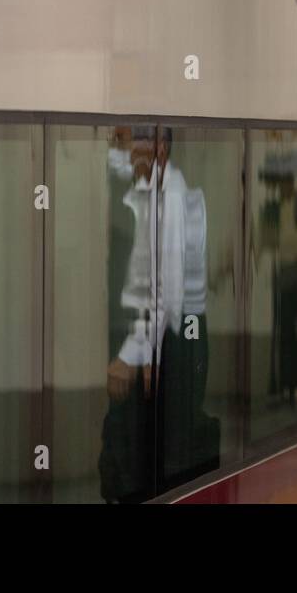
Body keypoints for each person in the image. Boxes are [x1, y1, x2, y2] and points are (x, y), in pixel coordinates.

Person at [100, 126, 216, 502]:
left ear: (161, 149)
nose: (130, 152)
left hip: (176, 336)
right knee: (142, 444)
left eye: (138, 142)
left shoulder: (172, 199)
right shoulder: (153, 183)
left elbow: (167, 287)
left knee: (155, 449)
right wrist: (115, 147)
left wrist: (136, 354)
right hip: (164, 331)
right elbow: (122, 169)